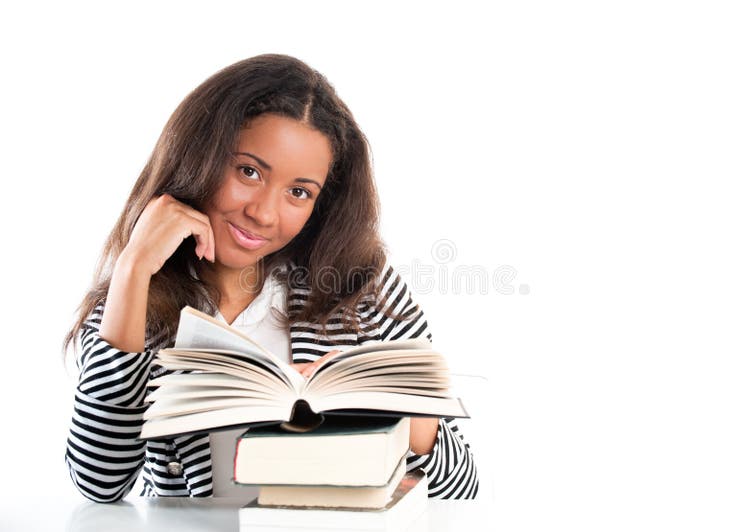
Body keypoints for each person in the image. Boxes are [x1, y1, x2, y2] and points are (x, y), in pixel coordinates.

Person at [64, 54, 478, 502]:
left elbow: (463, 487)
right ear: (200, 156)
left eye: (298, 192)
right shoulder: (135, 295)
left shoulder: (367, 289)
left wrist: (402, 420)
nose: (263, 213)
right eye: (248, 171)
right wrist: (132, 268)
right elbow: (99, 483)